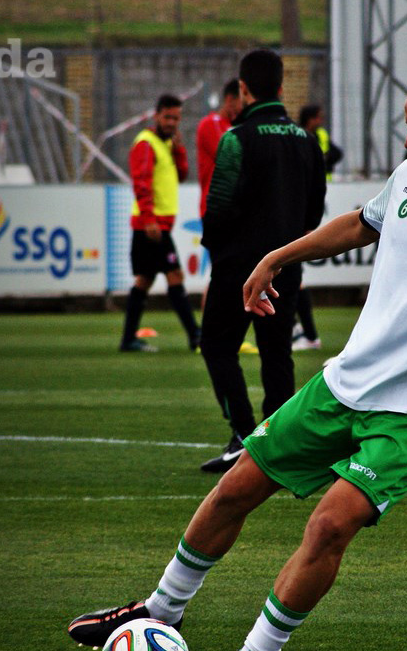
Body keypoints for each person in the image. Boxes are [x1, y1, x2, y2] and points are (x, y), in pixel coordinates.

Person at [68, 67, 407, 651]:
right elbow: (364, 223)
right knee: (236, 487)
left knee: (331, 523)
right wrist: (278, 255)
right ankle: (159, 614)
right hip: (348, 381)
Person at [196, 50, 327, 474]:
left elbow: (217, 210)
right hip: (287, 264)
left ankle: (242, 438)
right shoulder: (307, 141)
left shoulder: (236, 138)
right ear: (282, 87)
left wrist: (220, 254)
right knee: (276, 353)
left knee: (218, 346)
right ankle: (278, 444)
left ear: (244, 89)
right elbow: (314, 213)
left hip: (239, 268)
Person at [119, 94, 200, 352]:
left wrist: (179, 149)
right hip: (151, 226)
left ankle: (128, 339)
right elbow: (141, 183)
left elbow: (182, 175)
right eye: (167, 117)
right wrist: (149, 218)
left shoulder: (166, 145)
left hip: (156, 224)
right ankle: (195, 334)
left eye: (176, 118)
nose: (172, 122)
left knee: (144, 279)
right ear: (156, 116)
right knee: (174, 274)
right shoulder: (146, 143)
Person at [289, 104, 343, 352]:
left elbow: (334, 156)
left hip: (295, 216)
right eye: (319, 117)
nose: (322, 120)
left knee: (290, 275)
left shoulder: (304, 139)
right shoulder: (303, 137)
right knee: (287, 274)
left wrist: (309, 222)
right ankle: (298, 329)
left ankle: (307, 334)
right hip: (298, 215)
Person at [197, 79, 242, 218]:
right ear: (230, 99)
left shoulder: (240, 127)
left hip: (237, 208)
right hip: (216, 208)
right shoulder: (211, 123)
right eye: (243, 101)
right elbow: (229, 158)